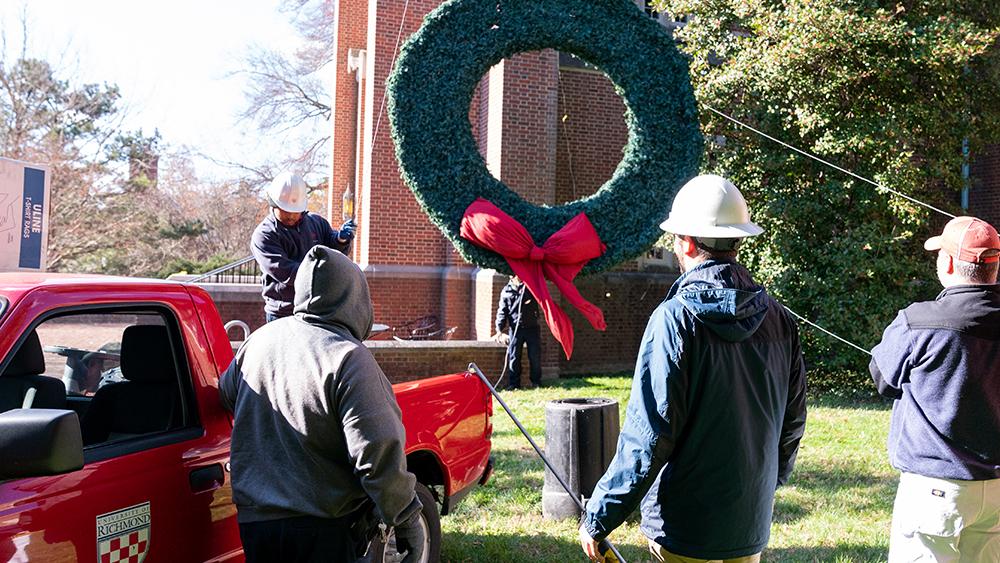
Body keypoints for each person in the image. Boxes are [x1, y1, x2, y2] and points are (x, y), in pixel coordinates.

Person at [579, 175, 807, 563]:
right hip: (747, 522)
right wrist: (767, 482)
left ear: (686, 242)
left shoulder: (674, 319)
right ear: (738, 240)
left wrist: (599, 516)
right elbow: (793, 419)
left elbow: (649, 433)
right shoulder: (780, 319)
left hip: (683, 528)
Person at [219, 245, 425, 563]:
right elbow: (377, 450)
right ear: (355, 299)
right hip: (323, 526)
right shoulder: (348, 356)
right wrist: (407, 516)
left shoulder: (258, 340)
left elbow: (226, 393)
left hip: (256, 523)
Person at [870, 215, 1000, 562]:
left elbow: (882, 379)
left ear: (949, 262)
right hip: (995, 492)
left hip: (934, 490)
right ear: (994, 266)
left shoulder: (918, 321)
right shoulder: (921, 321)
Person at [251, 171, 357, 322]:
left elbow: (332, 250)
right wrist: (324, 274)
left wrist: (340, 240)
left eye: (296, 211)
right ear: (273, 204)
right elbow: (286, 272)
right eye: (286, 211)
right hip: (283, 313)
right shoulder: (264, 235)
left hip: (316, 309)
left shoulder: (316, 223)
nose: (292, 216)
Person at [494, 276, 542, 389]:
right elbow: (502, 311)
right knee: (514, 357)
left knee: (534, 356)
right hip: (516, 329)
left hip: (532, 328)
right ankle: (514, 384)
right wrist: (499, 329)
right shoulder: (506, 291)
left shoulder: (529, 287)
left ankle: (536, 382)